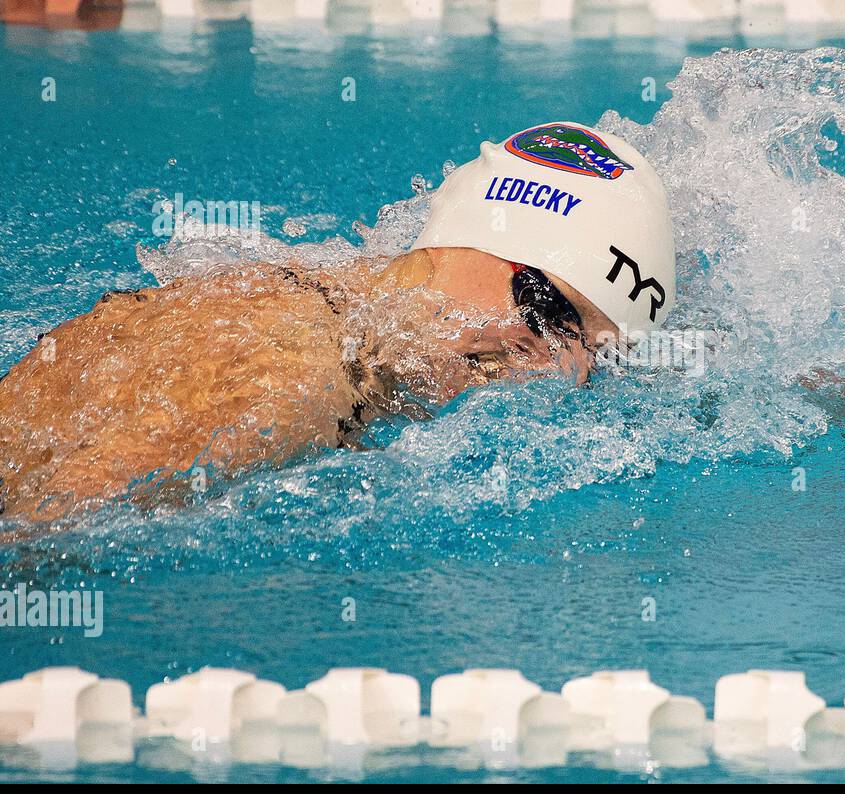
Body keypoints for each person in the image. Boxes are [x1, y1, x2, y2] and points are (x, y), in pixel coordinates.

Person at [0, 122, 845, 521]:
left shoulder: (355, 320)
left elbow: (840, 384)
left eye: (579, 348)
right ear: (482, 255)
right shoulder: (285, 371)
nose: (532, 365)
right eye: (541, 307)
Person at [0, 122, 675, 520]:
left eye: (596, 356)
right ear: (463, 238)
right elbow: (42, 528)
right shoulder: (286, 370)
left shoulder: (339, 341)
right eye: (549, 310)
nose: (558, 365)